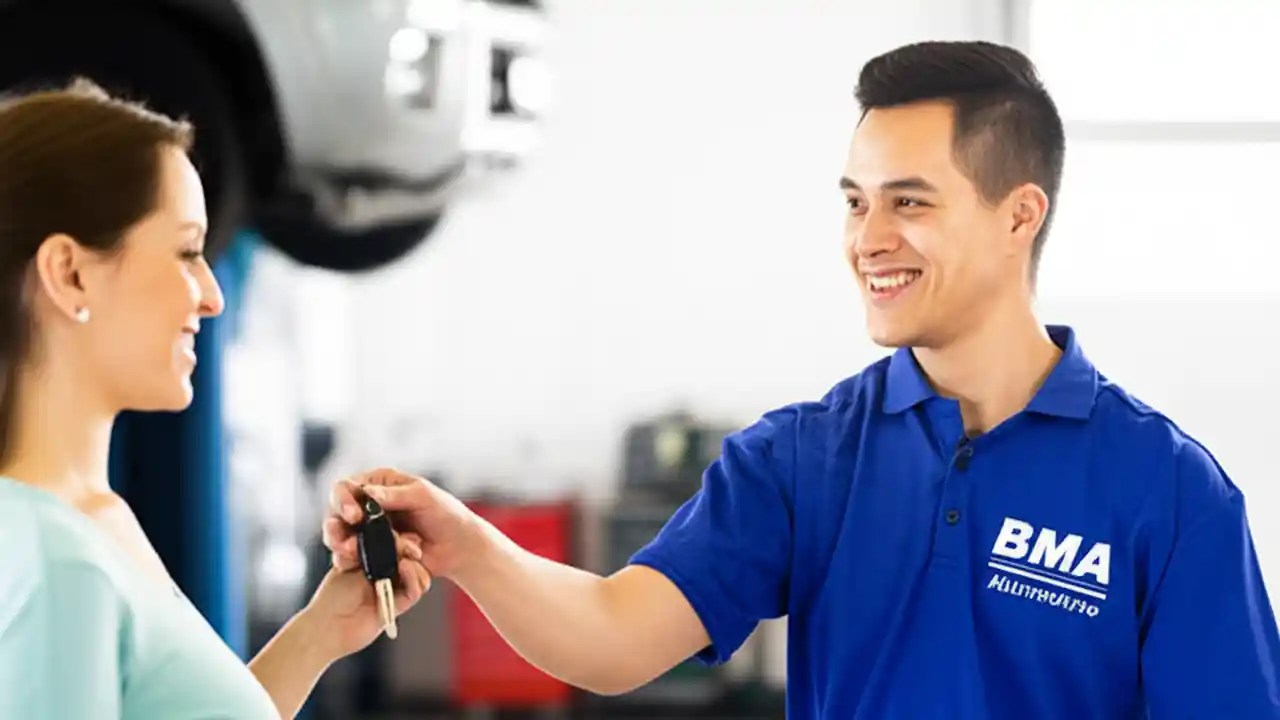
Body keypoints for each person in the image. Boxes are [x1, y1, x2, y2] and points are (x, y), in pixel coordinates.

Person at [324, 40, 1280, 718]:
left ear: (1019, 214)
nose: (868, 240)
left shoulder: (1170, 493)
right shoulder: (803, 460)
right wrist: (473, 549)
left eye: (910, 202)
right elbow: (615, 639)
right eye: (857, 203)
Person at [0, 79, 433, 719]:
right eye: (186, 251)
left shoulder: (84, 523)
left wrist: (318, 634)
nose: (212, 296)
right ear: (70, 274)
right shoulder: (61, 563)